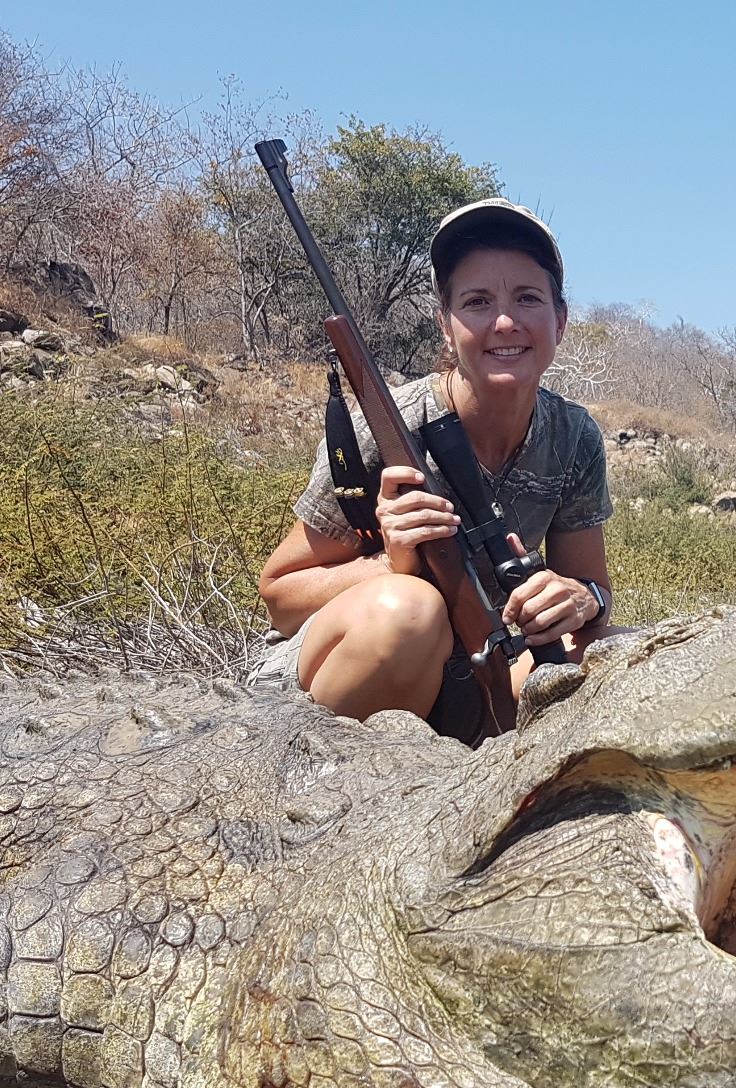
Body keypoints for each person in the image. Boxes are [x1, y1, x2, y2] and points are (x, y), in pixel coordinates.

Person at [248, 198, 617, 742]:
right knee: (409, 611)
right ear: (446, 326)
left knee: (618, 657)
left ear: (559, 321)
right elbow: (280, 596)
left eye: (527, 297)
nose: (505, 321)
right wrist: (394, 567)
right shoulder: (389, 426)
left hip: (481, 664)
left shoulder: (575, 437)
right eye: (477, 301)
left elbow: (592, 590)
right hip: (348, 674)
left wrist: (582, 600)